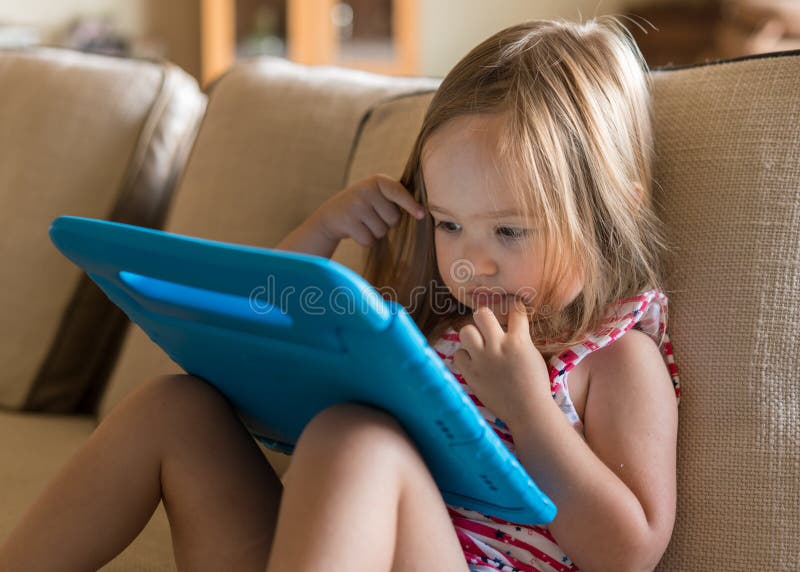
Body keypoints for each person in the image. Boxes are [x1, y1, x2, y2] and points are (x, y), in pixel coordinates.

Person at [0, 16, 681, 572]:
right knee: (173, 408)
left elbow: (630, 553)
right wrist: (321, 234)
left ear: (609, 207)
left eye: (509, 229)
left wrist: (529, 412)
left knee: (360, 440)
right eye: (449, 224)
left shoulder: (613, 359)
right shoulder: (439, 318)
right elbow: (257, 336)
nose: (473, 262)